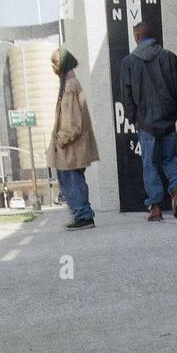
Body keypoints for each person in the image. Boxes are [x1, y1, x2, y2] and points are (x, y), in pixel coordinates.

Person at [119, 23, 177, 222]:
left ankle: (155, 207)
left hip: (146, 123)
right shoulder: (170, 57)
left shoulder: (129, 62)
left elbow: (127, 95)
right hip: (167, 121)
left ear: (138, 37)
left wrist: (134, 118)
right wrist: (174, 114)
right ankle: (176, 191)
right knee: (169, 159)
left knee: (149, 164)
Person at [46, 48, 100, 229]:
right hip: (74, 146)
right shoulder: (70, 84)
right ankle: (82, 215)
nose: (53, 67)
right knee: (73, 179)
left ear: (62, 65)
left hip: (70, 146)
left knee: (71, 179)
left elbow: (72, 122)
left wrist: (60, 140)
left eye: (55, 63)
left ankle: (83, 216)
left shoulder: (69, 87)